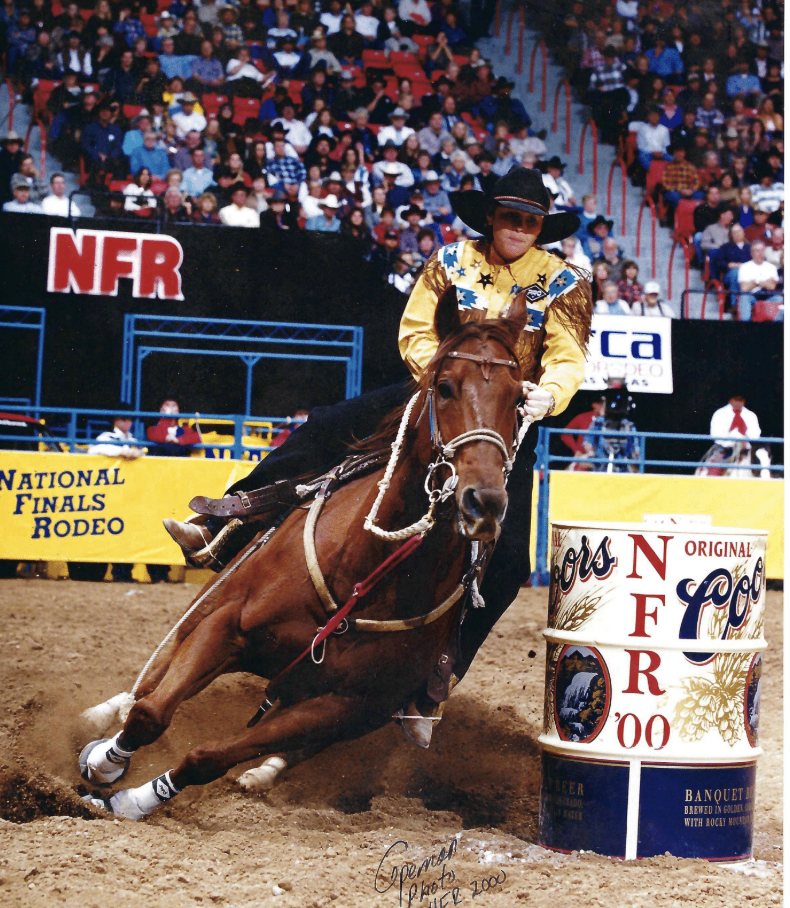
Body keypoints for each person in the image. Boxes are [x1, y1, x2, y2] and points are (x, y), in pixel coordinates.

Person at [162, 166, 593, 746]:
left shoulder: (563, 281)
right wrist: (438, 380)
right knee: (325, 428)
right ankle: (226, 519)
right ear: (489, 217)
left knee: (510, 556)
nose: (520, 227)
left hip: (510, 415)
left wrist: (550, 395)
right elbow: (415, 330)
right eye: (510, 215)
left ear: (542, 226)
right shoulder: (449, 261)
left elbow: (568, 358)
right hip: (436, 395)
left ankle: (437, 675)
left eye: (531, 220)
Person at [87, 410, 145, 583]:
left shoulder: (134, 441)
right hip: (109, 492)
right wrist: (122, 452)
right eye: (123, 418)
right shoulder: (107, 437)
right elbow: (95, 449)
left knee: (127, 532)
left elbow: (141, 453)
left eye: (129, 419)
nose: (127, 422)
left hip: (129, 493)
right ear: (115, 420)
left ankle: (123, 572)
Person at [737, 240, 782, 322]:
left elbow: (772, 286)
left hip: (767, 296)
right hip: (752, 296)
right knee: (744, 296)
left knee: (779, 298)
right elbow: (744, 288)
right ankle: (744, 325)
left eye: (762, 250)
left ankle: (776, 326)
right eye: (757, 250)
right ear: (751, 253)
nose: (760, 253)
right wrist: (761, 282)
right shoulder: (744, 267)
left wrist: (753, 282)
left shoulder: (771, 267)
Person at [560, 395, 607, 468]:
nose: (603, 406)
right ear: (594, 404)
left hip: (603, 459)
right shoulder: (583, 417)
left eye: (604, 404)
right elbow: (565, 434)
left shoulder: (612, 422)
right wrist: (576, 450)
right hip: (584, 459)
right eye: (600, 403)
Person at [709, 394, 761, 459]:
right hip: (724, 450)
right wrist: (732, 443)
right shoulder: (720, 413)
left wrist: (745, 441)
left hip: (745, 451)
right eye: (736, 400)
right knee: (713, 466)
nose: (738, 403)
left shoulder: (750, 415)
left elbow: (756, 435)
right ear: (730, 400)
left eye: (741, 400)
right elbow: (715, 435)